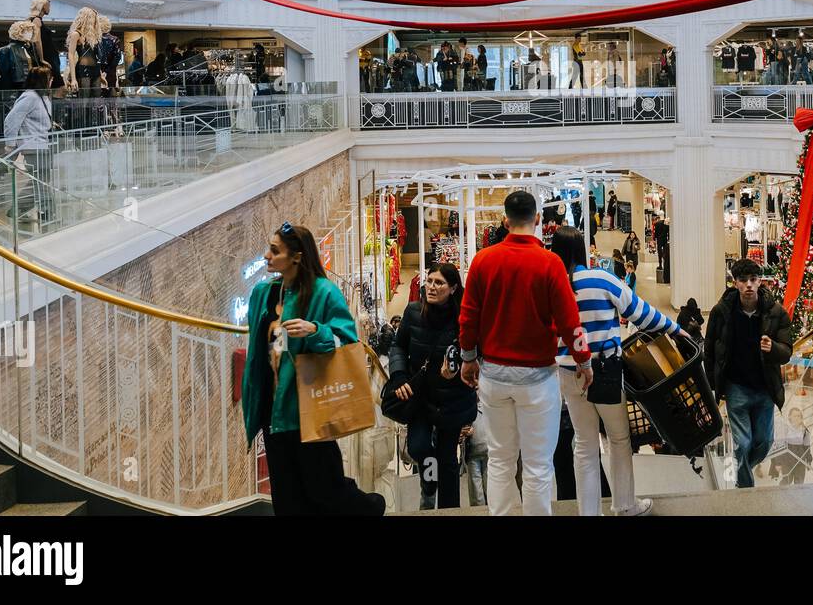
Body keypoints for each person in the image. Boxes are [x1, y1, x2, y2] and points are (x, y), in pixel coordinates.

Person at [458, 191, 592, 516]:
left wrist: (468, 358)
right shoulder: (550, 263)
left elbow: (468, 316)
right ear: (538, 220)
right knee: (537, 464)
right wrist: (583, 360)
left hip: (493, 376)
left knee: (500, 459)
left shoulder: (483, 261)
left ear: (505, 221)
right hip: (538, 379)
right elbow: (569, 320)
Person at [240, 222, 386, 516]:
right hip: (272, 410)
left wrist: (315, 331)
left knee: (325, 489)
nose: (267, 256)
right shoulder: (263, 294)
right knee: (286, 497)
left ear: (297, 257)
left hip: (310, 407)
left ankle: (369, 508)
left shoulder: (324, 293)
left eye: (275, 250)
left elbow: (347, 341)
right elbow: (260, 350)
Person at [548, 225, 680, 516]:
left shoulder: (550, 285)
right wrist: (675, 328)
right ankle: (624, 505)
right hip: (605, 371)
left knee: (584, 445)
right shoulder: (600, 279)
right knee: (618, 439)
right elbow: (641, 313)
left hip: (568, 373)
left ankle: (589, 512)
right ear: (582, 249)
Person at [389, 263, 477, 510]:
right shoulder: (413, 312)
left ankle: (449, 511)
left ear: (453, 288)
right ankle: (429, 483)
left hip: (452, 398)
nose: (431, 287)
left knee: (447, 459)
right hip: (421, 397)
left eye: (439, 283)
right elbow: (398, 346)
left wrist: (459, 366)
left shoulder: (463, 318)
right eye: (429, 281)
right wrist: (399, 376)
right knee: (419, 448)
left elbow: (474, 351)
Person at [704, 259, 794, 488]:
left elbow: (786, 352)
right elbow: (710, 350)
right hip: (736, 388)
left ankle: (742, 469)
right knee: (743, 444)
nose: (748, 285)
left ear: (760, 281)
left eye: (753, 280)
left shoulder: (776, 312)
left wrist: (773, 348)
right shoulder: (721, 312)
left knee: (764, 442)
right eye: (743, 281)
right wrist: (714, 385)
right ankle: (745, 489)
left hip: (764, 388)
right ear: (735, 283)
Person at [3, 66, 54, 223]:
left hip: (43, 146)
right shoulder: (30, 97)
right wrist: (10, 145)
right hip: (33, 147)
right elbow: (11, 120)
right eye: (49, 78)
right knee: (41, 181)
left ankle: (18, 209)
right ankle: (46, 212)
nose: (51, 81)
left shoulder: (42, 97)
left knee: (40, 180)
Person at [27, 0, 62, 88]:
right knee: (55, 84)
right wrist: (42, 59)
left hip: (48, 56)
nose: (49, 8)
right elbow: (37, 41)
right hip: (47, 57)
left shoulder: (37, 20)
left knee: (51, 82)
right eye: (48, 6)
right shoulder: (36, 20)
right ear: (42, 6)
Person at [0, 21, 35, 92]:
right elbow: (4, 74)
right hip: (16, 87)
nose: (31, 33)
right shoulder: (5, 50)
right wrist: (8, 93)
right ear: (20, 32)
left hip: (29, 85)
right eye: (28, 31)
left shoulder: (27, 49)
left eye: (31, 31)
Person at [653, 213, 670, 278]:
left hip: (661, 240)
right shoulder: (665, 224)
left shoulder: (658, 224)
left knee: (661, 252)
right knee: (663, 252)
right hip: (663, 240)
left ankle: (661, 264)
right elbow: (668, 233)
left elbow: (656, 233)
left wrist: (655, 238)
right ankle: (663, 264)